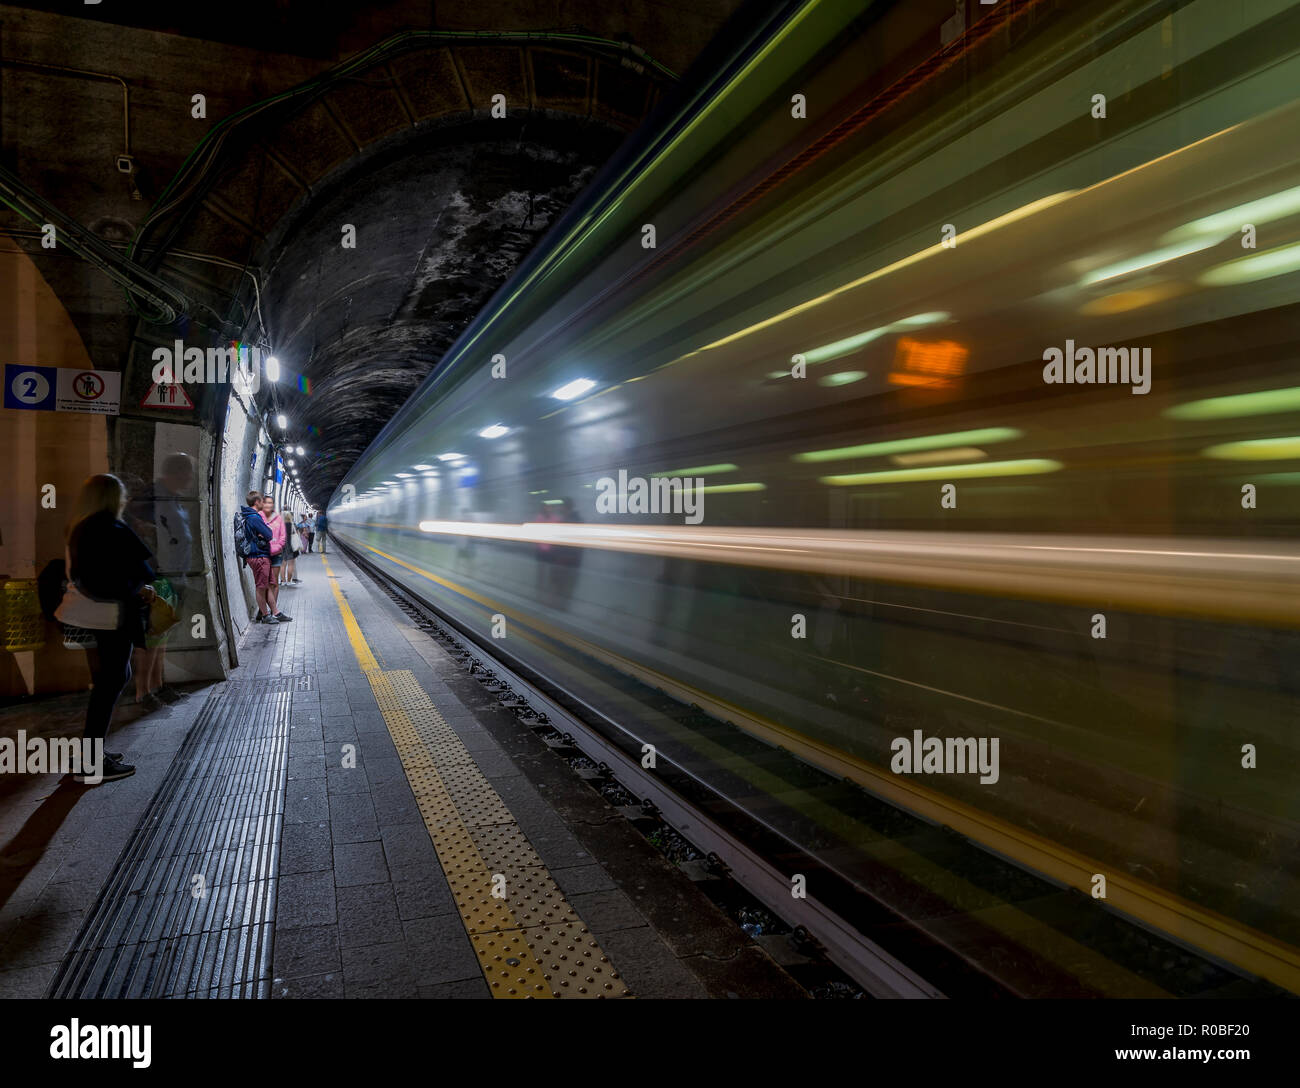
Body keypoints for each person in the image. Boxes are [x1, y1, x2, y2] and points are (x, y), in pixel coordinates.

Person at [66, 474, 157, 783]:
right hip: (114, 615)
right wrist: (141, 589)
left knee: (110, 679)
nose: (125, 500)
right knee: (112, 681)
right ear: (111, 498)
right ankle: (91, 762)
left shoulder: (82, 527)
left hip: (95, 614)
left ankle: (91, 753)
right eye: (121, 494)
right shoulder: (112, 528)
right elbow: (139, 569)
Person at [238, 490, 275, 623]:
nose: (263, 503)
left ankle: (273, 612)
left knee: (266, 585)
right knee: (260, 587)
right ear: (257, 502)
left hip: (259, 555)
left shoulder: (251, 516)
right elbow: (269, 534)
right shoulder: (254, 517)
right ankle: (265, 616)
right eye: (262, 501)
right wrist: (265, 532)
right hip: (258, 556)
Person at [261, 496, 292, 622]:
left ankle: (274, 611)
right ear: (262, 504)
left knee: (274, 583)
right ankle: (267, 611)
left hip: (276, 554)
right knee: (264, 584)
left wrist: (276, 548)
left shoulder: (278, 518)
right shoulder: (259, 517)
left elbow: (283, 537)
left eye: (271, 502)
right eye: (266, 502)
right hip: (263, 554)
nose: (269, 504)